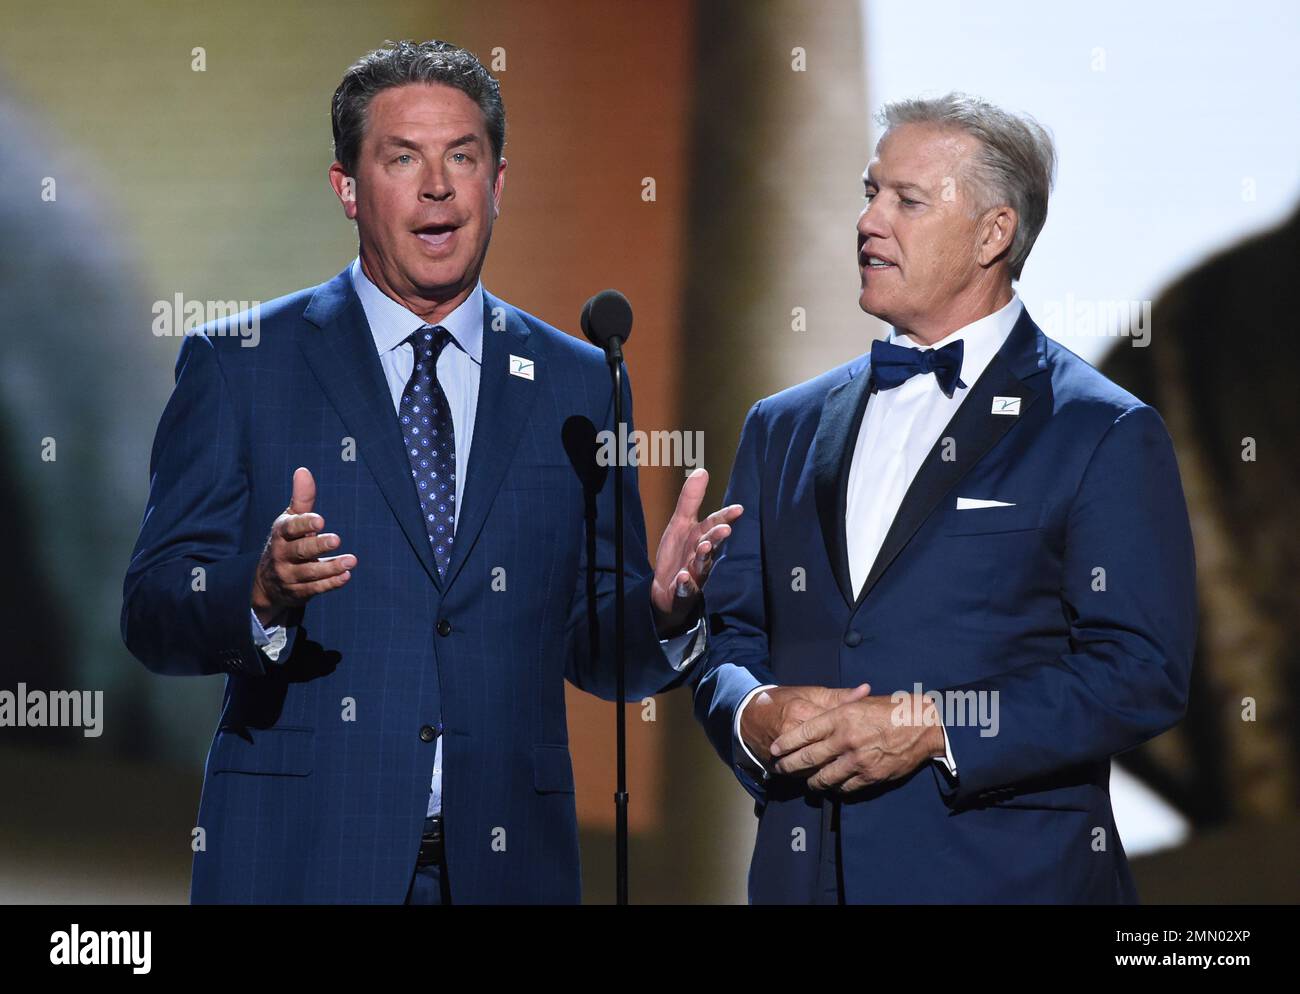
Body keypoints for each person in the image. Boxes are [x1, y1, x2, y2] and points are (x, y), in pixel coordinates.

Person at [121, 39, 740, 904]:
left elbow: (602, 651)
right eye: (402, 158)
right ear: (346, 187)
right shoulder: (241, 364)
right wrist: (259, 592)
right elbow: (152, 610)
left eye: (463, 157)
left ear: (498, 185)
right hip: (301, 862)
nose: (438, 186)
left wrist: (664, 611)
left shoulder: (580, 382)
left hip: (508, 869)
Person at [691, 93, 1196, 903]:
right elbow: (731, 640)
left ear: (994, 233)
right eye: (868, 192)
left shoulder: (1101, 429)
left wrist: (934, 727)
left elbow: (1139, 673)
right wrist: (752, 714)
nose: (868, 221)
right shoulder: (780, 426)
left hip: (1004, 880)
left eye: (907, 200)